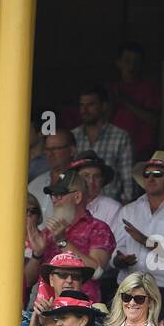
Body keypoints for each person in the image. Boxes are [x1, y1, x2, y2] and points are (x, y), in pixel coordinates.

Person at [114, 151, 164, 315]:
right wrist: (120, 260)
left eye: (158, 174)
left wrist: (145, 241)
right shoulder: (128, 210)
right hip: (128, 286)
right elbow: (114, 251)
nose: (151, 178)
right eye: (147, 174)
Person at [27, 171, 115, 304]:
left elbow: (96, 272)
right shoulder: (48, 231)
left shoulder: (98, 228)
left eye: (60, 195)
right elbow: (28, 281)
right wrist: (37, 254)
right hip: (45, 310)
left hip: (82, 312)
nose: (54, 200)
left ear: (77, 197)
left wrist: (62, 242)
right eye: (52, 195)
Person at [72, 85, 134, 202]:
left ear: (103, 106)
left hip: (111, 207)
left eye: (90, 105)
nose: (84, 110)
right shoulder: (73, 136)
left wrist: (125, 205)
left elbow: (128, 179)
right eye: (81, 105)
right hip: (79, 206)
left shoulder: (120, 136)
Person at [108, 42, 162, 159]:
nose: (132, 66)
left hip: (141, 152)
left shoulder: (149, 88)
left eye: (136, 62)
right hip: (115, 150)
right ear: (118, 63)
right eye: (127, 61)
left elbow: (154, 120)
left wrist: (127, 102)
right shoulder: (112, 89)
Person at [29, 129, 76, 219]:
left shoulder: (80, 184)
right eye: (47, 149)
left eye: (56, 149)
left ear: (71, 151)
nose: (50, 154)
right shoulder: (35, 185)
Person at [72, 150, 123, 232]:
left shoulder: (113, 209)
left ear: (102, 181)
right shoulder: (66, 204)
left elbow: (116, 244)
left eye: (97, 176)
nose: (91, 181)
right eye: (86, 176)